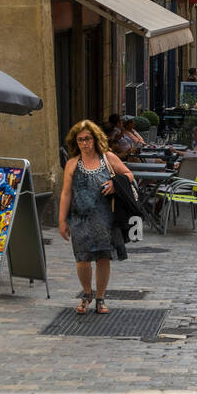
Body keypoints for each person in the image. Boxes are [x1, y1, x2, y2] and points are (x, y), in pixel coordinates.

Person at [58, 120, 135, 315]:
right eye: (81, 140)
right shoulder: (72, 163)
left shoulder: (108, 158)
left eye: (88, 139)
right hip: (80, 219)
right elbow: (66, 193)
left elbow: (128, 174)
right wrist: (62, 220)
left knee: (103, 258)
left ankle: (100, 298)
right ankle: (86, 293)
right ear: (76, 142)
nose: (85, 143)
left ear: (95, 139)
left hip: (105, 218)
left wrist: (114, 183)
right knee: (82, 259)